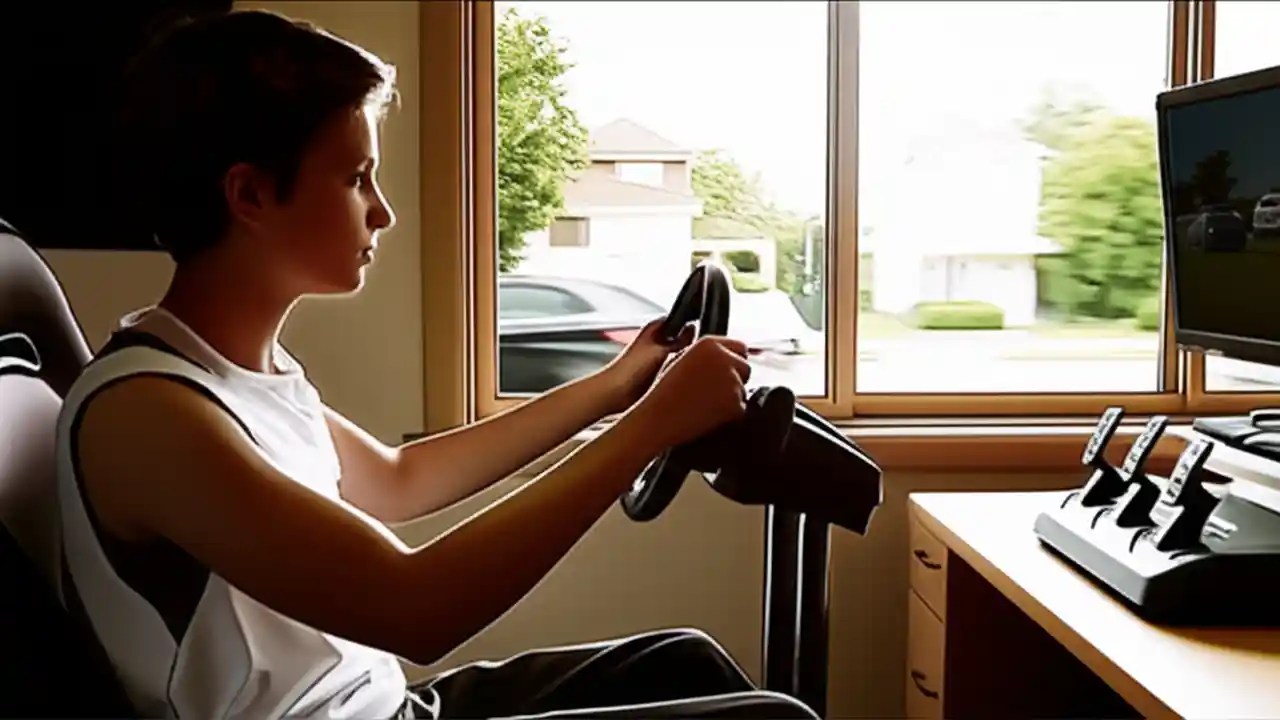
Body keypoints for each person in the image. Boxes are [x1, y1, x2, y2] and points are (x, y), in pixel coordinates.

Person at [55, 9, 819, 720]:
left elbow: (398, 479)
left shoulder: (234, 373)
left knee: (685, 664)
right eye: (356, 179)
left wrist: (616, 390)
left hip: (387, 705)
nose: (381, 210)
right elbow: (415, 609)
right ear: (250, 194)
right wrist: (648, 430)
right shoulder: (149, 416)